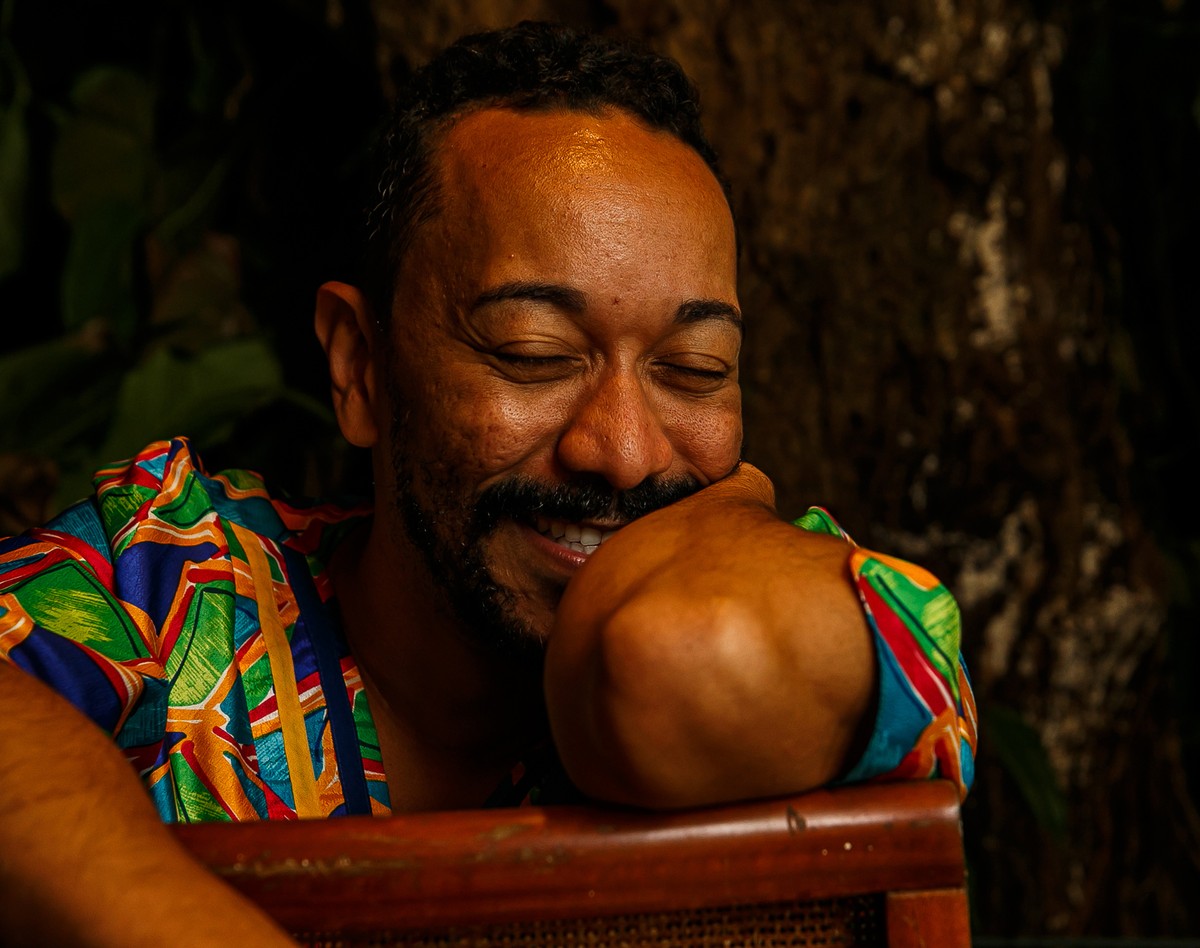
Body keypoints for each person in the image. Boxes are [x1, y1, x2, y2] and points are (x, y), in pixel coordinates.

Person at [0, 20, 976, 946]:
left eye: (694, 370)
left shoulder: (811, 615)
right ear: (361, 368)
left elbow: (674, 658)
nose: (625, 452)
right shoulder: (173, 588)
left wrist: (727, 500)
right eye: (535, 352)